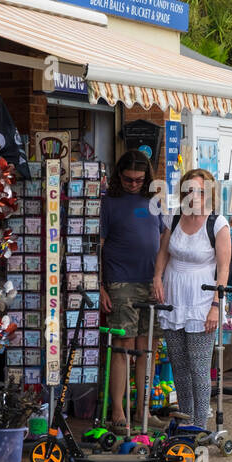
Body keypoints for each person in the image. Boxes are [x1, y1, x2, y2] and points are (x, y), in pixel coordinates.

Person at [153, 169, 231, 430]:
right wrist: (157, 277)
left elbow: (224, 269)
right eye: (188, 190)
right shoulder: (173, 218)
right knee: (179, 365)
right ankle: (185, 420)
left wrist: (215, 307)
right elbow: (163, 252)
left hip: (202, 299)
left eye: (198, 190)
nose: (193, 195)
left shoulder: (217, 224)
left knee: (198, 367)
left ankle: (200, 425)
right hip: (174, 296)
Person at [99, 151, 168, 433]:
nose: (133, 184)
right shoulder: (109, 203)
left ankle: (143, 410)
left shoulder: (153, 201)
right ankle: (118, 409)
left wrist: (160, 276)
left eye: (139, 180)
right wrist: (101, 285)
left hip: (150, 282)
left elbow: (164, 235)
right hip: (120, 282)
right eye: (128, 179)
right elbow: (99, 244)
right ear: (119, 175)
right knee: (122, 347)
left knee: (146, 348)